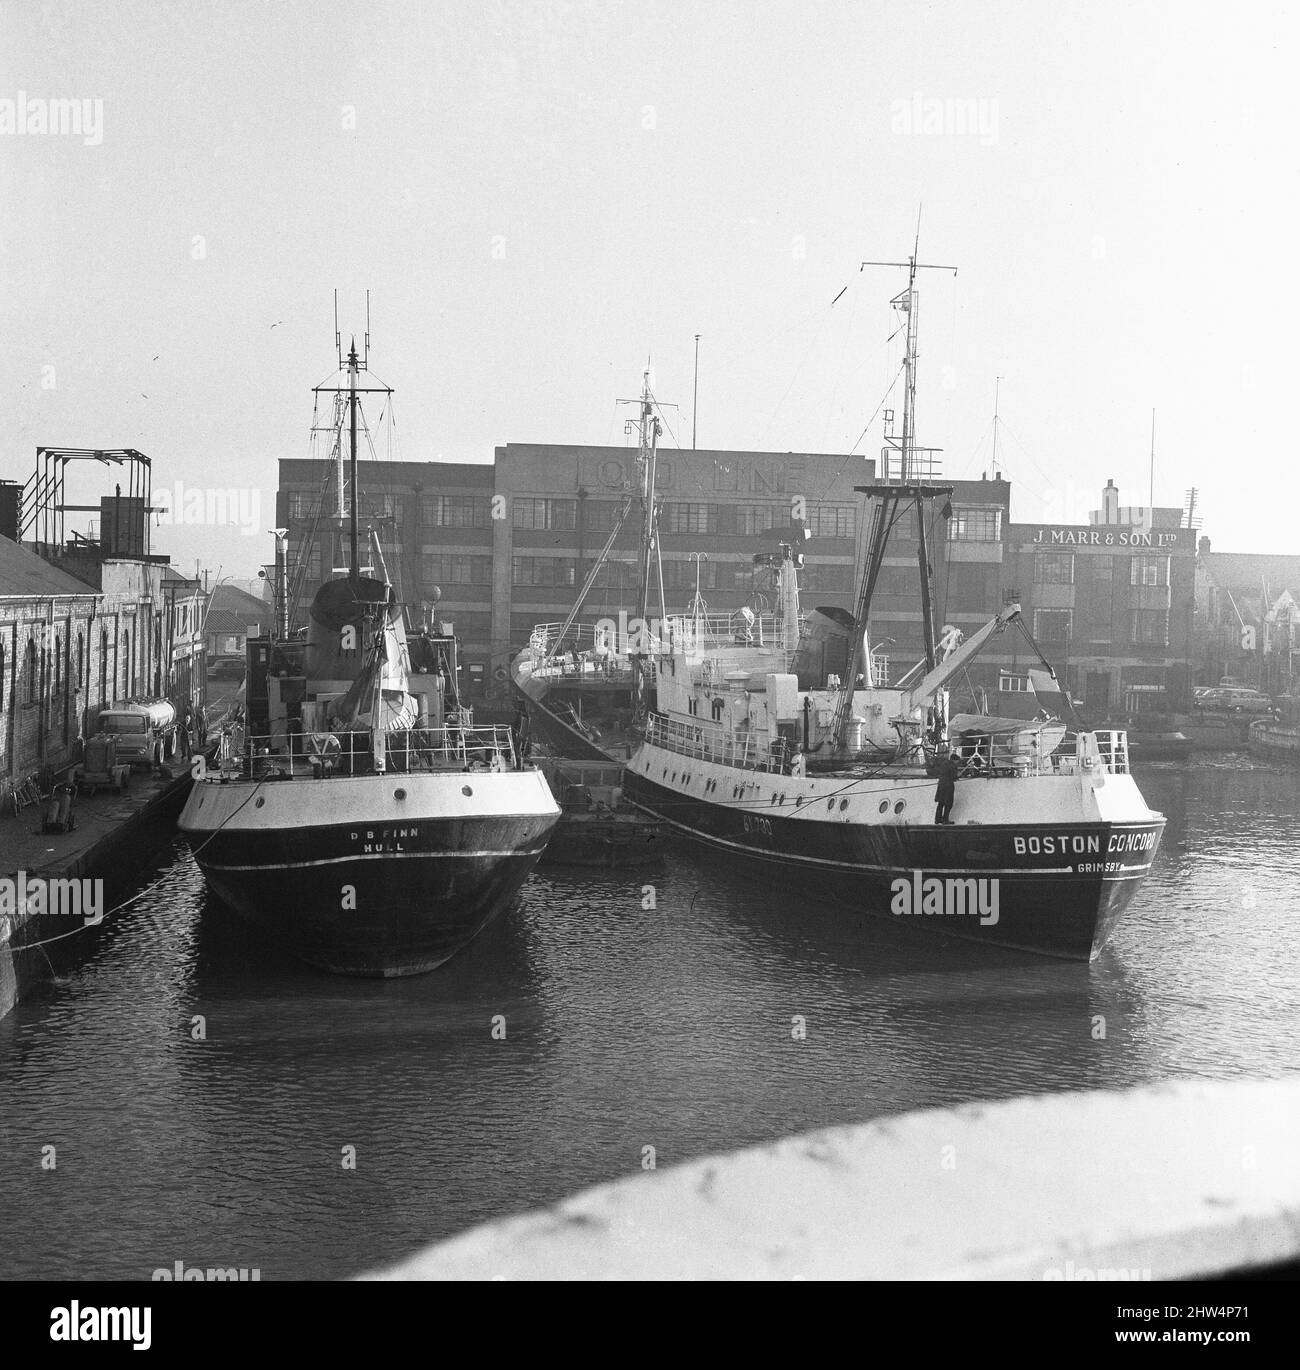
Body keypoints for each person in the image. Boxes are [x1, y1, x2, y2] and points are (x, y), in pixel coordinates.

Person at [934, 752, 960, 825]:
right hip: (948, 786)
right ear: (955, 760)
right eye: (957, 761)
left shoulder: (944, 763)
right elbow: (954, 777)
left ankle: (937, 819)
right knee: (948, 803)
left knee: (941, 802)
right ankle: (945, 820)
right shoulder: (953, 765)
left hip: (941, 784)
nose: (957, 763)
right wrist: (958, 775)